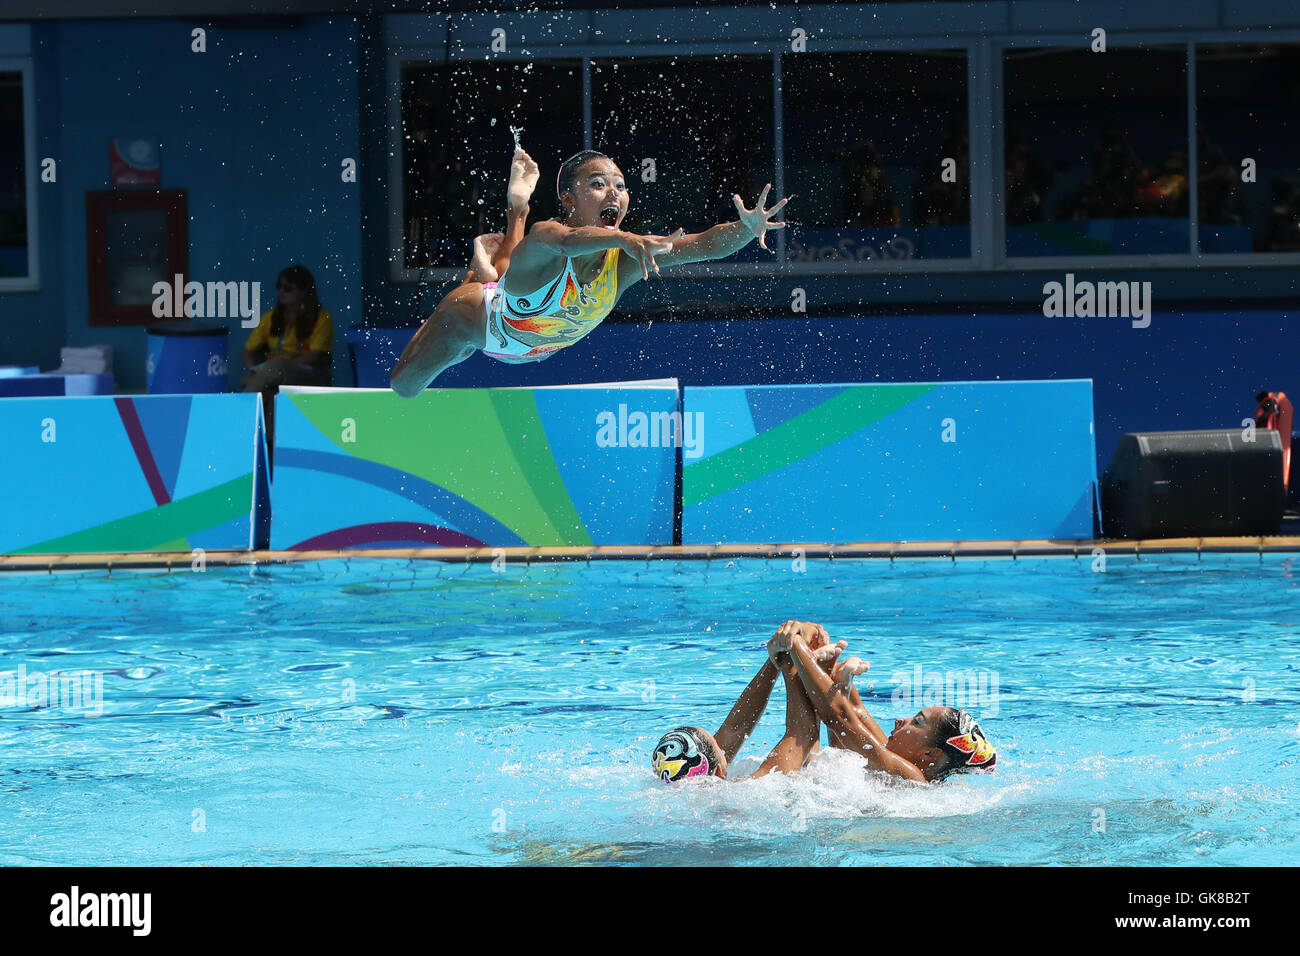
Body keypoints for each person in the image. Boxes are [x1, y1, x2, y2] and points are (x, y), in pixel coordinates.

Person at [389, 146, 789, 395]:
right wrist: (625, 239)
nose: (614, 191)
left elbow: (705, 244)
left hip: (535, 338)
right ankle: (498, 243)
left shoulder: (625, 261)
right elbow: (566, 242)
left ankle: (513, 210)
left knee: (514, 270)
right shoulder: (550, 234)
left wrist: (745, 228)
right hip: (483, 323)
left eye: (621, 185)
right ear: (568, 199)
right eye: (598, 184)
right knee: (404, 387)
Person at [652, 620, 997, 785]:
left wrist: (791, 662)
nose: (901, 720)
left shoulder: (697, 785)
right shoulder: (757, 786)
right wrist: (793, 653)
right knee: (814, 755)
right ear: (717, 767)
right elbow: (810, 731)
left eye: (917, 722)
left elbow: (736, 728)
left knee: (820, 759)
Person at [240, 264, 333, 466]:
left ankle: (239, 414)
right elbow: (247, 351)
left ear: (304, 291)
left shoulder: (322, 317)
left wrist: (280, 368)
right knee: (269, 391)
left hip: (310, 375)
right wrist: (256, 369)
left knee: (275, 368)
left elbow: (316, 356)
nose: (281, 292)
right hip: (275, 375)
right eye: (279, 287)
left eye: (288, 288)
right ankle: (271, 456)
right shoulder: (271, 316)